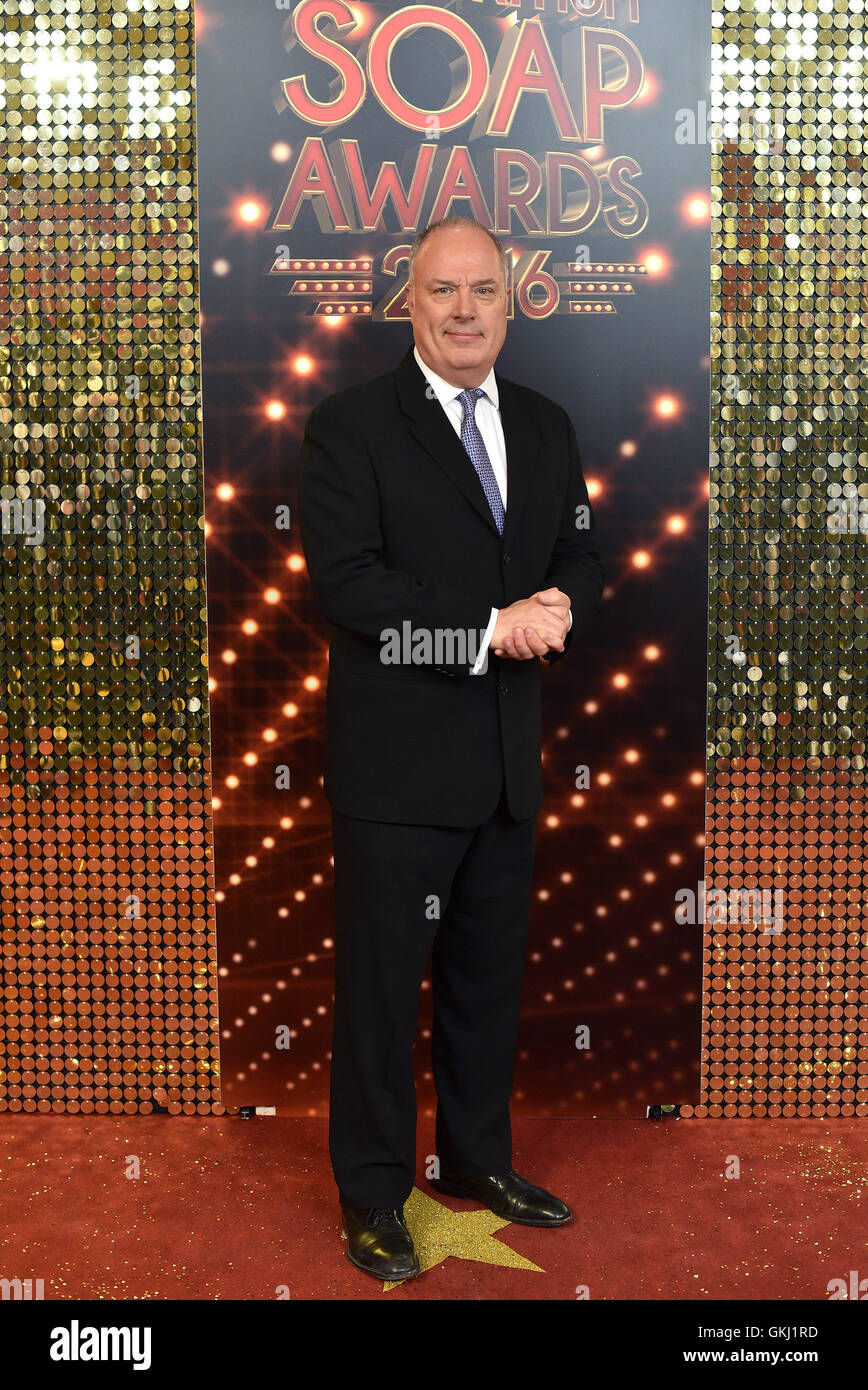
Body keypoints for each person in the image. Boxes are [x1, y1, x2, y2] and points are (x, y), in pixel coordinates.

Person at [299, 216, 604, 1282]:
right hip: (394, 775)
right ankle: (376, 1195)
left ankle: (476, 1162)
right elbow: (350, 590)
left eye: (483, 291)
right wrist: (487, 628)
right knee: (381, 999)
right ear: (409, 304)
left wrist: (563, 598)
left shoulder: (545, 421)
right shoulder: (349, 425)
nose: (464, 310)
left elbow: (577, 545)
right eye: (443, 291)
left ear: (510, 304)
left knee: (485, 985)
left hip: (506, 766)